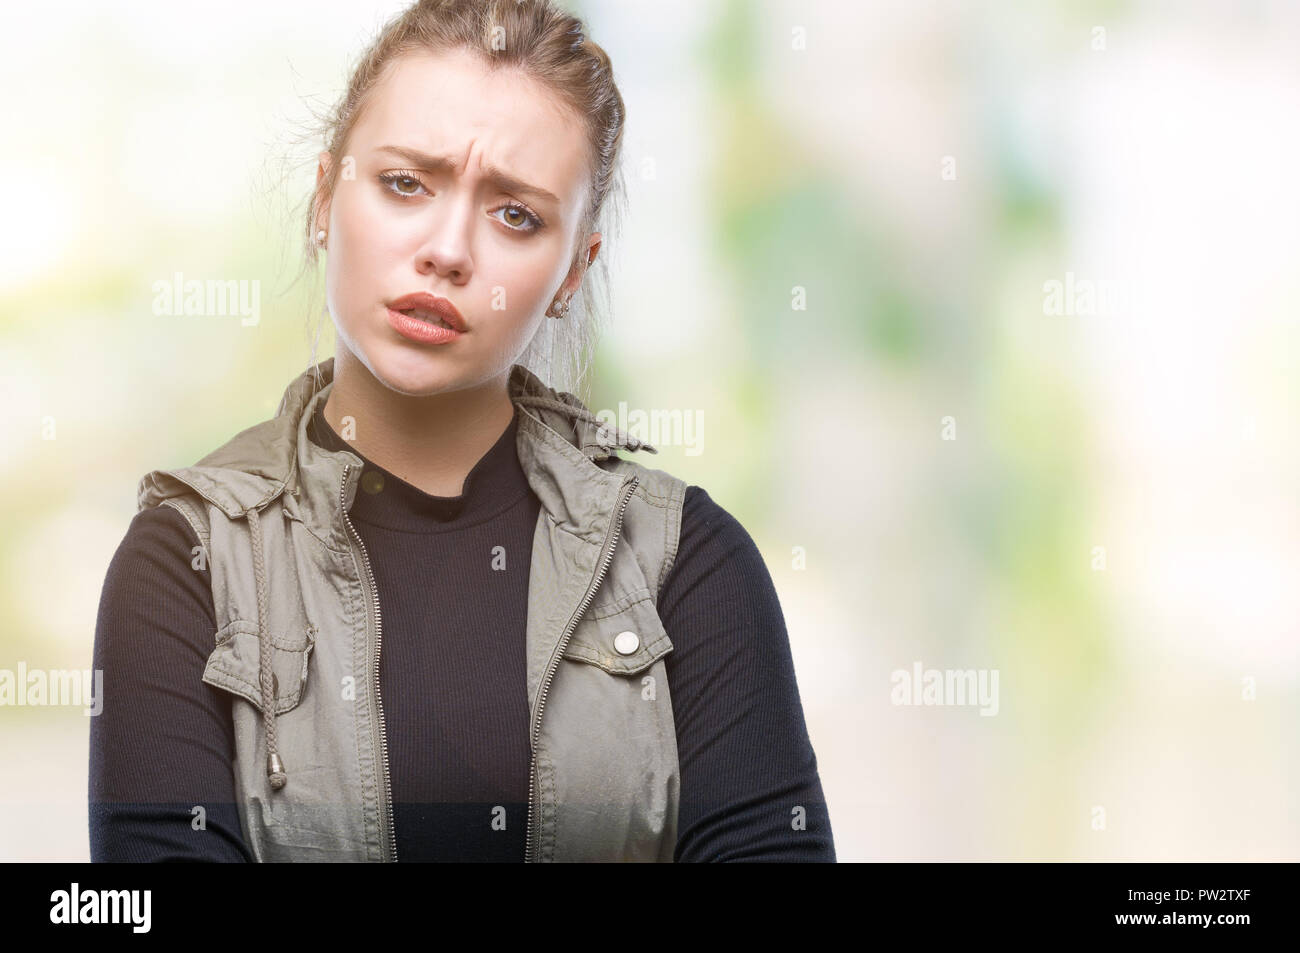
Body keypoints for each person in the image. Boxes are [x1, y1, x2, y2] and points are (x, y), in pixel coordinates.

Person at [89, 0, 834, 862]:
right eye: (407, 183)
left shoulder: (686, 564)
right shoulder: (187, 560)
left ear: (570, 272)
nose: (447, 249)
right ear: (327, 196)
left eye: (515, 214)